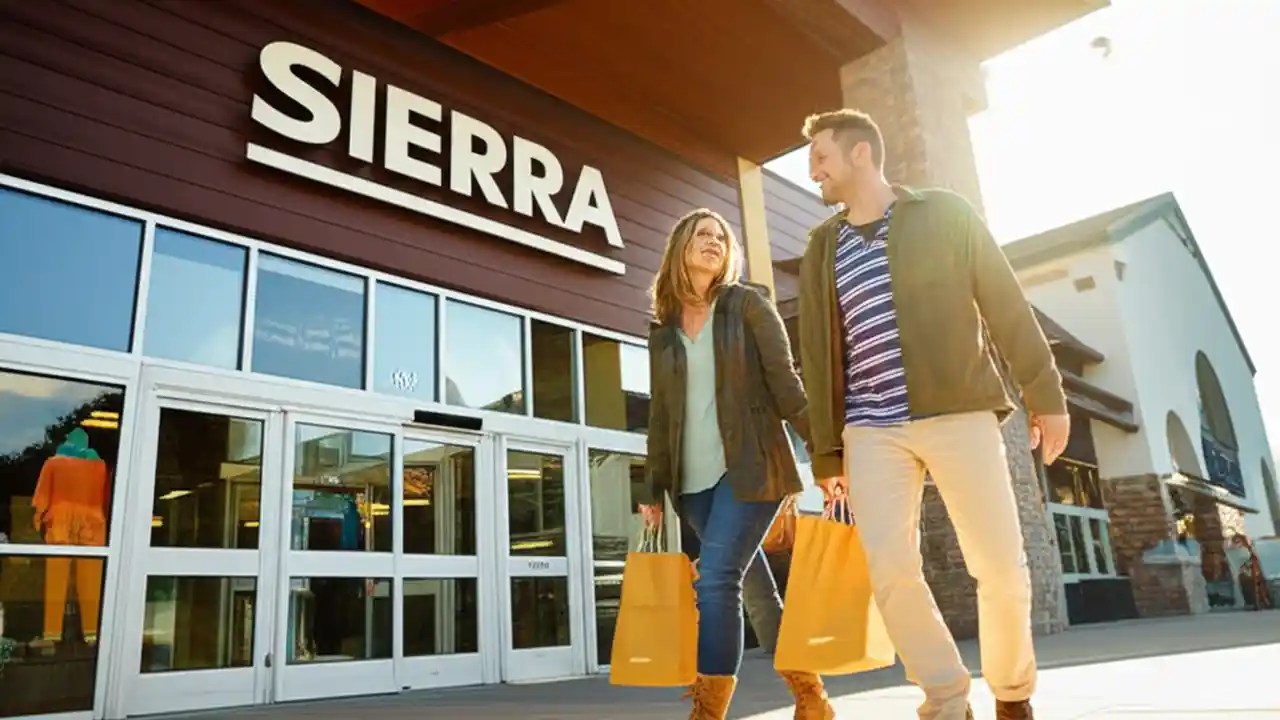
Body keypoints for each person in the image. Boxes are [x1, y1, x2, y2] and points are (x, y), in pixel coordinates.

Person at [795, 109, 1070, 720]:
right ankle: (946, 700)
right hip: (870, 427)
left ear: (861, 152)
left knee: (999, 565)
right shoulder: (821, 248)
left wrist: (1045, 394)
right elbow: (817, 353)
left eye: (820, 156)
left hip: (958, 410)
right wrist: (826, 451)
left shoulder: (944, 212)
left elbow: (1004, 301)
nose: (812, 169)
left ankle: (1011, 692)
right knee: (890, 569)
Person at [640, 208, 833, 720]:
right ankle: (811, 696)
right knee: (753, 587)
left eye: (720, 237)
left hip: (751, 468)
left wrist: (826, 453)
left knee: (717, 578)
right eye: (702, 235)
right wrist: (651, 488)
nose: (712, 243)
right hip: (692, 484)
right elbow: (660, 416)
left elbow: (786, 382)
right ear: (680, 246)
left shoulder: (747, 305)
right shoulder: (662, 331)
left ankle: (707, 712)